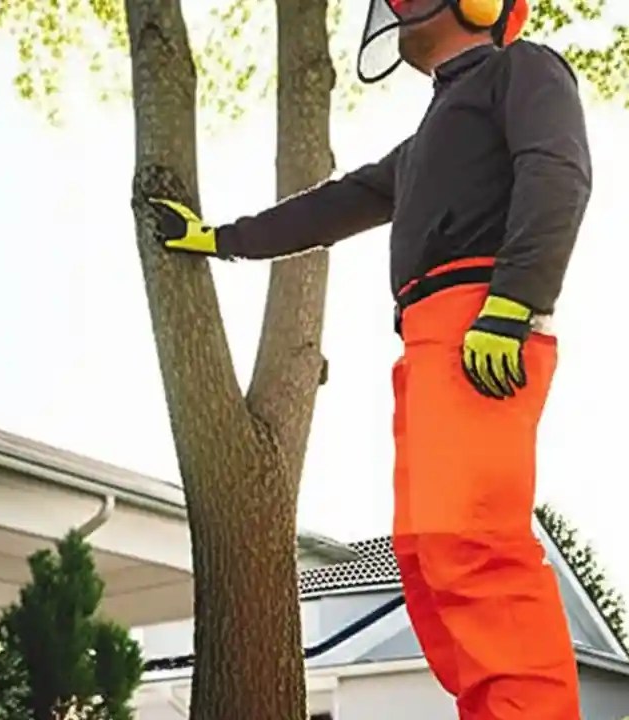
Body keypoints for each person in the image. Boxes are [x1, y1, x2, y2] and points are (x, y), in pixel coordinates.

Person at [146, 0, 592, 716]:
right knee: (424, 556)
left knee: (473, 544)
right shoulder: (420, 148)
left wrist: (513, 300)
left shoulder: (523, 69)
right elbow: (331, 206)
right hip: (425, 344)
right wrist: (219, 239)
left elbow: (558, 171)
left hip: (483, 328)